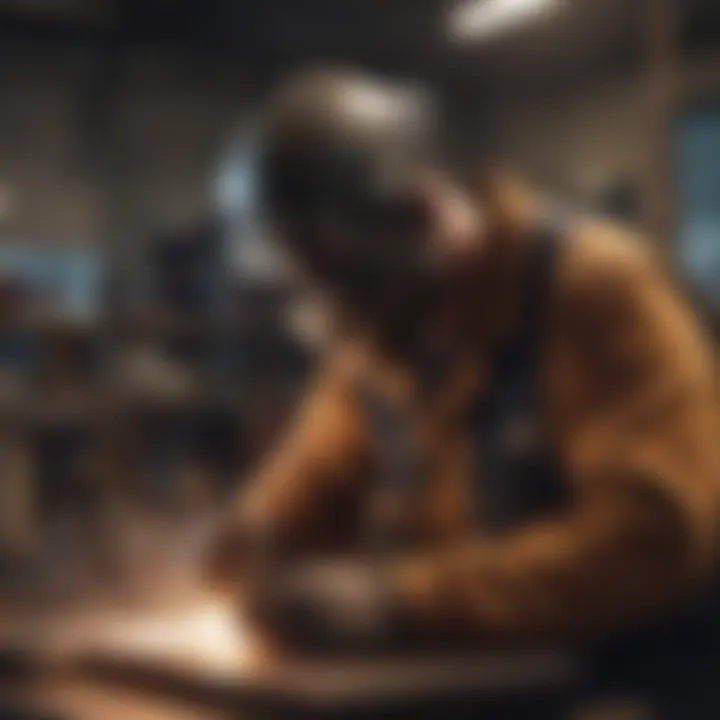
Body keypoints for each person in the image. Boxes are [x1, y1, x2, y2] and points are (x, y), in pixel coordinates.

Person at [207, 69, 719, 688]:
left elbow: (651, 543)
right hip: (504, 681)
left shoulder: (593, 291)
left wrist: (400, 601)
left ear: (421, 213)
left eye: (349, 278)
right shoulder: (377, 335)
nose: (345, 315)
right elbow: (312, 479)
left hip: (642, 683)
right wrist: (253, 545)